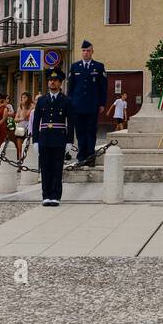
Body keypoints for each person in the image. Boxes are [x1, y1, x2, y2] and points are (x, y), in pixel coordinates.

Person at [33, 70, 74, 206]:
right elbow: (36, 121)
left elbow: (71, 122)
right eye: (50, 80)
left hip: (59, 139)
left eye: (55, 80)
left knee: (57, 168)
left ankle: (55, 195)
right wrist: (35, 140)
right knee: (45, 168)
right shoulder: (42, 100)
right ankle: (46, 195)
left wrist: (69, 140)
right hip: (44, 138)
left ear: (60, 83)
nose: (52, 82)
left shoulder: (66, 100)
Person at [67, 40, 107, 168]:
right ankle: (81, 156)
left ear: (92, 52)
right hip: (77, 106)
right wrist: (70, 102)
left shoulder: (98, 67)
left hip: (92, 105)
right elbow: (70, 87)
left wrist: (102, 104)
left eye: (88, 51)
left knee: (91, 131)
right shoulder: (75, 67)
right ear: (81, 52)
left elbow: (103, 87)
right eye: (84, 51)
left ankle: (90, 157)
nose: (85, 53)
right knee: (79, 132)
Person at [13, 91, 34, 161]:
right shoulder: (20, 107)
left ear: (28, 98)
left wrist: (24, 106)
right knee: (19, 147)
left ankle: (27, 161)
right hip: (20, 127)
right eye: (22, 97)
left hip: (28, 127)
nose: (23, 99)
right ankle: (20, 161)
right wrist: (21, 119)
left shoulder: (32, 106)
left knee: (28, 146)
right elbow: (15, 119)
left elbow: (25, 116)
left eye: (25, 97)